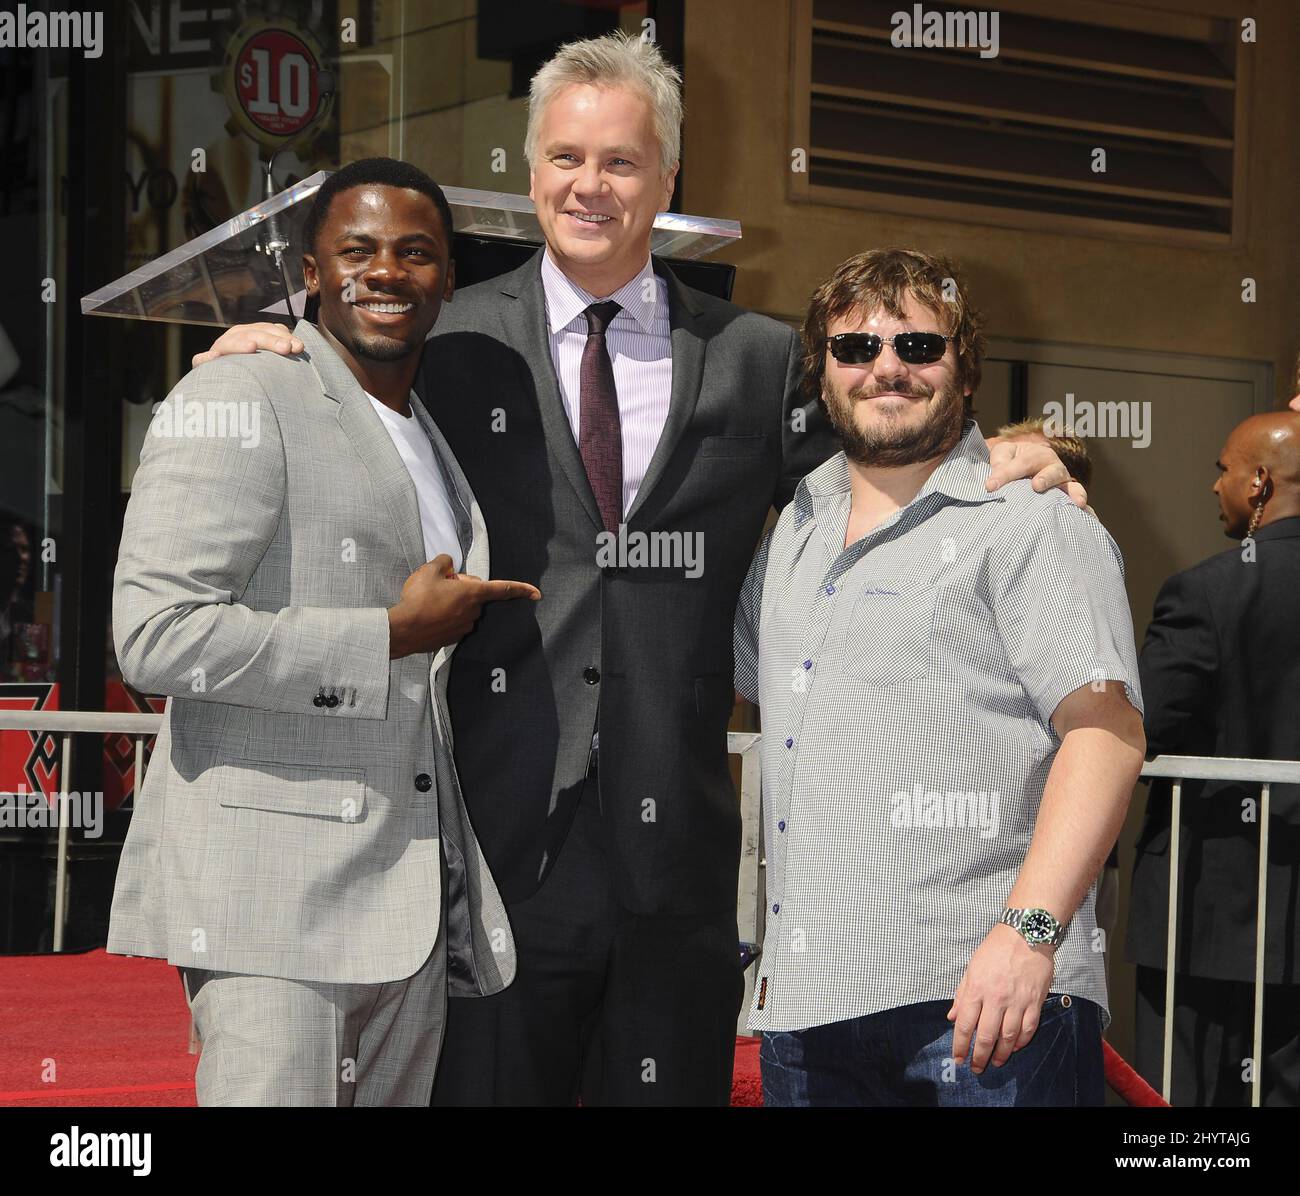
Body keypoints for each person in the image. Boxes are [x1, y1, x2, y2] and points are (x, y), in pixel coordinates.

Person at [191, 34, 1084, 1106]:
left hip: (679, 869)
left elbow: (888, 457)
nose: (590, 185)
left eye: (621, 161)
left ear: (667, 177)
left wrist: (1012, 452)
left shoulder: (758, 357)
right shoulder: (451, 338)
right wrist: (260, 358)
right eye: (566, 157)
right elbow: (332, 407)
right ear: (530, 173)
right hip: (490, 853)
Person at [107, 158, 539, 1106]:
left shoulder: (429, 429)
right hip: (270, 910)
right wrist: (385, 634)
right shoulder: (243, 395)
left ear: (448, 279)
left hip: (408, 907)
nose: (386, 271)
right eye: (358, 250)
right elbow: (154, 633)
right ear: (311, 272)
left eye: (416, 252)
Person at [735, 248, 1146, 1106]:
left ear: (964, 372)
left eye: (919, 346)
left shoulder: (1033, 522)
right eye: (855, 348)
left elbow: (1105, 736)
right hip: (808, 1012)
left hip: (985, 1006)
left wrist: (1027, 936)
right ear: (823, 375)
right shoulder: (792, 532)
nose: (886, 366)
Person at [1126, 410, 1300, 1106]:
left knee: (1186, 1124)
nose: (1213, 486)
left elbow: (1140, 731)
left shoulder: (1206, 592)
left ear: (1258, 482)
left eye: (1223, 469)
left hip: (1205, 921)